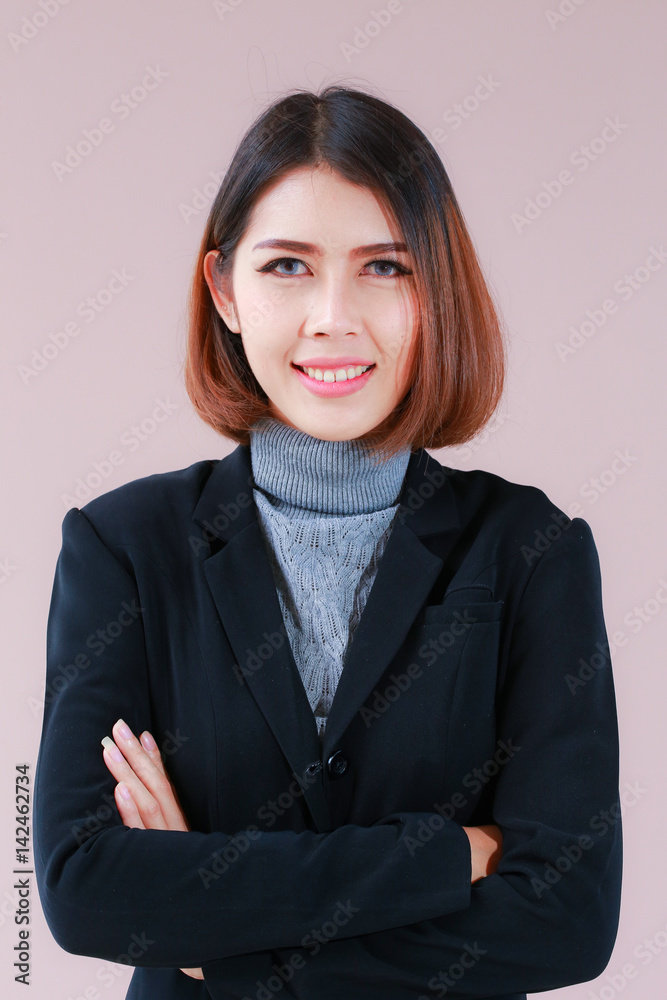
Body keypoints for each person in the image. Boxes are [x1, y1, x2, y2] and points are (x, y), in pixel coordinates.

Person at [34, 84, 622, 1000]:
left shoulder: (531, 551)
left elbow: (569, 920)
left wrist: (216, 933)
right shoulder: (121, 548)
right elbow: (80, 894)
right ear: (224, 290)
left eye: (385, 267)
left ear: (436, 291)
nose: (332, 317)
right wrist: (446, 854)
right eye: (286, 267)